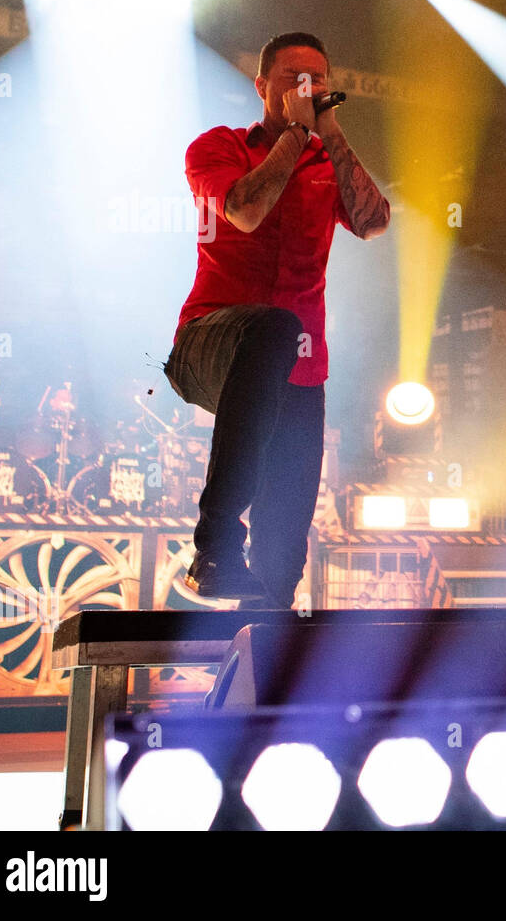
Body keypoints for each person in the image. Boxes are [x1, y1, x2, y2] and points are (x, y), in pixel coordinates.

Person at [163, 32, 390, 607]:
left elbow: (373, 222)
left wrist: (329, 132)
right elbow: (244, 210)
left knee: (284, 547)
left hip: (298, 368)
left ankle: (256, 656)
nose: (307, 89)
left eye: (317, 79)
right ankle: (213, 545)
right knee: (272, 328)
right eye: (293, 78)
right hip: (211, 341)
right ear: (261, 87)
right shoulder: (217, 147)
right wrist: (295, 133)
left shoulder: (322, 155)